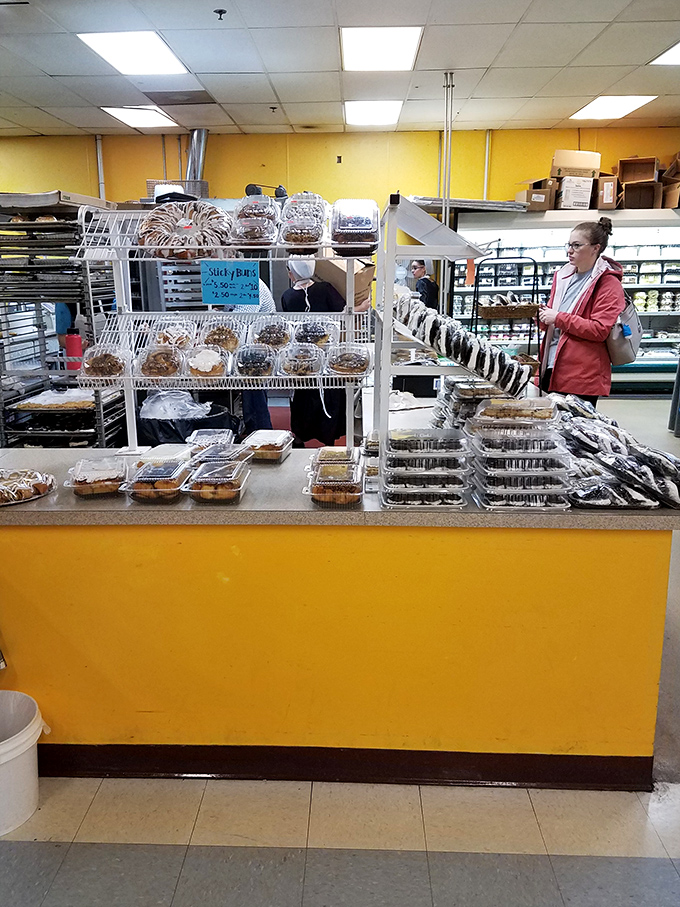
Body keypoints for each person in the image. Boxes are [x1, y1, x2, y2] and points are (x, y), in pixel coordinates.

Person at [538, 217, 625, 408]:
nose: (570, 251)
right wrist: (540, 316)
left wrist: (558, 317)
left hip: (581, 376)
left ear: (596, 248)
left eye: (577, 245)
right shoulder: (564, 276)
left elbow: (600, 329)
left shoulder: (608, 284)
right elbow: (553, 320)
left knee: (573, 433)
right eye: (569, 245)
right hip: (552, 366)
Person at [281, 258, 347, 445]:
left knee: (302, 397)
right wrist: (363, 307)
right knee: (328, 394)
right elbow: (342, 314)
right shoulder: (325, 288)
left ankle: (300, 438)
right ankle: (328, 440)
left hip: (300, 359)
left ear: (292, 272)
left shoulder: (287, 296)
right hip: (327, 357)